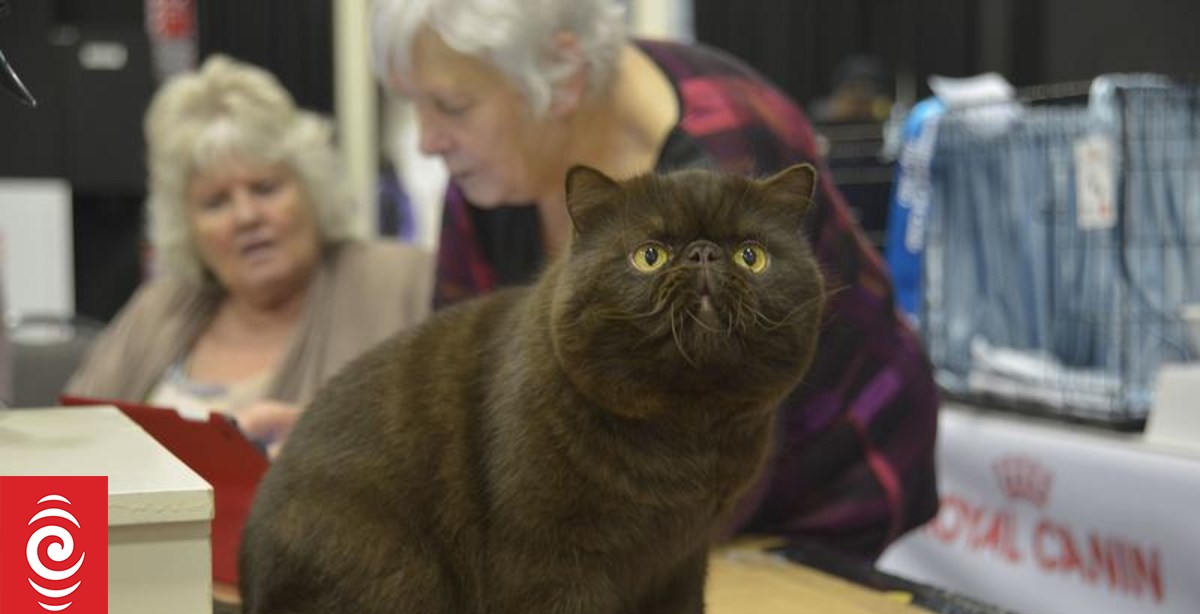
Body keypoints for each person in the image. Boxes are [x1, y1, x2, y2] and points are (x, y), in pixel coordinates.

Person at [372, 0, 939, 559]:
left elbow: (717, 441)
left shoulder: (733, 155)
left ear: (564, 74)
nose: (427, 140)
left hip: (817, 479)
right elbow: (467, 372)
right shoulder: (492, 160)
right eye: (414, 105)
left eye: (450, 105)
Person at [66, 54, 434, 456]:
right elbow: (60, 468)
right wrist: (48, 520)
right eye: (215, 202)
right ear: (186, 226)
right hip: (123, 522)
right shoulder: (159, 309)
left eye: (265, 188)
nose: (246, 216)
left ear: (313, 188)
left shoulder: (403, 282)